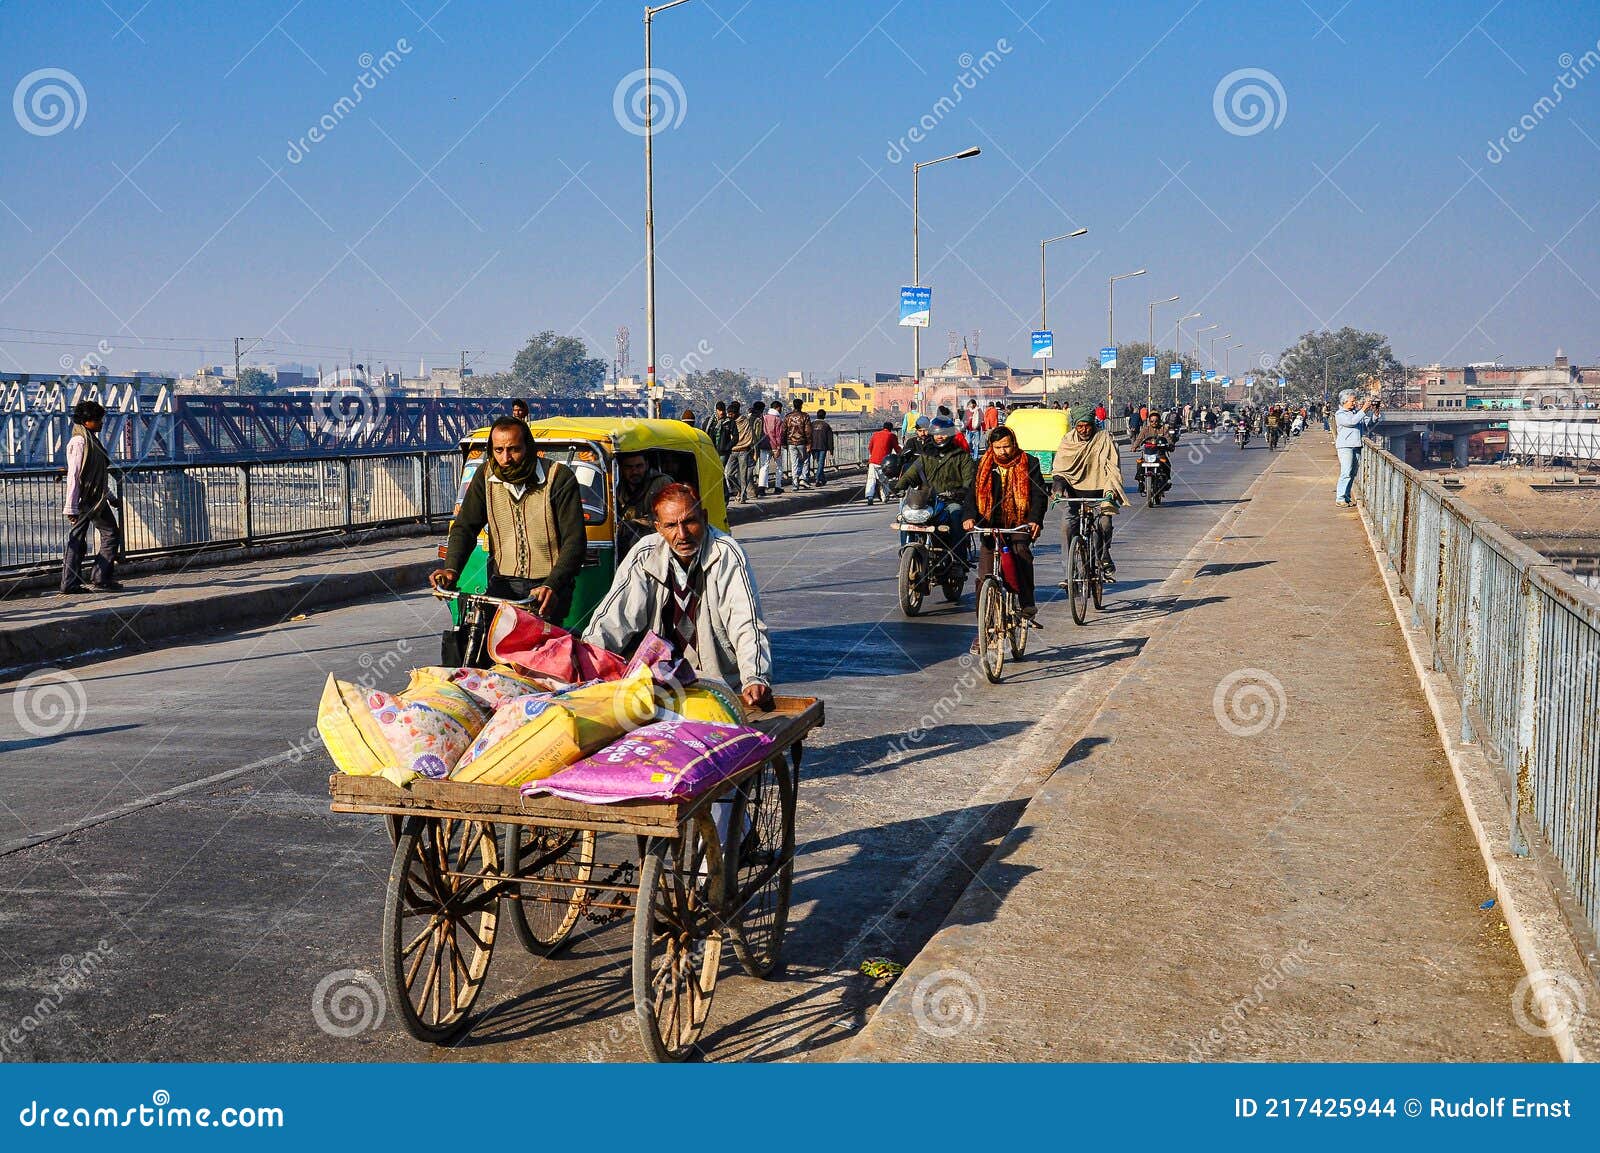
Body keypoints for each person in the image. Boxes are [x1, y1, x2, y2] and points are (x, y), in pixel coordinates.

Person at [585, 483, 773, 710]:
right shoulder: (645, 554)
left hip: (718, 685)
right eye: (671, 525)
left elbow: (746, 621)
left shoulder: (726, 553)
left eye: (689, 521)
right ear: (658, 528)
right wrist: (586, 661)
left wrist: (754, 676)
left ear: (704, 517)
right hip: (657, 684)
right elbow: (615, 617)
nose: (682, 534)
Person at [431, 417, 586, 622]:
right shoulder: (484, 476)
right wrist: (452, 568)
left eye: (513, 449)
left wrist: (553, 584)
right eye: (498, 450)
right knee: (484, 642)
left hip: (547, 586)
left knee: (541, 647)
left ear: (528, 447)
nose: (505, 459)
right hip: (503, 582)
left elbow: (575, 541)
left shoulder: (559, 477)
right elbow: (465, 527)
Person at [965, 425, 1046, 637]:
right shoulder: (982, 464)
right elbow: (971, 495)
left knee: (1021, 555)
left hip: (1019, 522)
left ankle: (1027, 603)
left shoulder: (1030, 463)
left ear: (1014, 444)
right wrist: (969, 516)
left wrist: (1035, 520)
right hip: (990, 526)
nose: (1003, 451)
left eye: (1007, 446)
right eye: (998, 447)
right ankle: (984, 631)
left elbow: (1039, 496)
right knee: (984, 577)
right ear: (991, 447)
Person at [59, 399, 124, 594]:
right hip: (86, 500)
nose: (101, 423)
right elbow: (75, 475)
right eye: (98, 420)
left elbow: (97, 474)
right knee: (103, 535)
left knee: (86, 539)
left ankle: (81, 581)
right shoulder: (79, 442)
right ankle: (96, 579)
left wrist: (110, 496)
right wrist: (70, 507)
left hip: (96, 498)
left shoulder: (91, 440)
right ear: (86, 421)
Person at [1051, 414, 1125, 583]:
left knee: (1104, 525)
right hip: (1075, 496)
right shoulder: (1068, 441)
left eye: (1087, 426)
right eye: (1080, 426)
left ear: (1093, 424)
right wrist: (1058, 490)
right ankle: (1069, 574)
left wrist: (1110, 492)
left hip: (1100, 493)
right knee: (1066, 528)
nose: (1084, 430)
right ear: (1075, 426)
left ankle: (1104, 556)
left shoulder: (1105, 439)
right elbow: (1060, 471)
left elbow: (1113, 470)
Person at [894, 416, 976, 557]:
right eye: (937, 433)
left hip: (951, 500)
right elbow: (911, 473)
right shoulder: (926, 456)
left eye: (943, 433)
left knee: (956, 516)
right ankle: (905, 553)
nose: (940, 437)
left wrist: (959, 492)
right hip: (927, 500)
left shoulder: (962, 457)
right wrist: (898, 487)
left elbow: (969, 482)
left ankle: (958, 558)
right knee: (904, 518)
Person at [615, 450, 673, 552]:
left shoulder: (661, 483)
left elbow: (669, 519)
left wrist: (634, 523)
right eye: (629, 467)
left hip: (654, 545)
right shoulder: (617, 485)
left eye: (639, 466)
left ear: (646, 465)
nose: (634, 471)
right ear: (621, 468)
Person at [1335, 389, 1380, 506]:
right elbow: (1351, 422)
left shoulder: (1356, 412)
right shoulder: (1340, 414)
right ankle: (1340, 498)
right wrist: (1364, 409)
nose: (1354, 403)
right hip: (1345, 446)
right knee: (1346, 472)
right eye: (1352, 401)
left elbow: (1367, 425)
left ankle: (1347, 497)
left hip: (1357, 445)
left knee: (1352, 472)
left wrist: (1375, 414)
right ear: (1344, 401)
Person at [725, 400, 758, 503]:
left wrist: (754, 451)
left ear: (736, 413)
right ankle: (740, 490)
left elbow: (750, 436)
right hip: (732, 451)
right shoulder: (728, 423)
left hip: (743, 451)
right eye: (728, 414)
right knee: (728, 474)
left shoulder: (745, 421)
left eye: (731, 414)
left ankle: (743, 496)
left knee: (743, 476)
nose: (730, 416)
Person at [864, 420, 899, 504]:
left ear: (883, 427)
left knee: (871, 479)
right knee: (884, 479)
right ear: (891, 428)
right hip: (885, 462)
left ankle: (870, 496)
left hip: (873, 461)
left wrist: (872, 456)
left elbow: (870, 447)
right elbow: (897, 448)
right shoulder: (891, 435)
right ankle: (884, 497)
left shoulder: (875, 434)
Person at [781, 398, 812, 490]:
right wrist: (809, 443)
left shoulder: (788, 416)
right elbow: (808, 431)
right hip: (802, 442)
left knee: (794, 463)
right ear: (801, 405)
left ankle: (795, 483)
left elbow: (783, 431)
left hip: (790, 442)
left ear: (793, 405)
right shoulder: (805, 416)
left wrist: (783, 443)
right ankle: (803, 479)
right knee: (805, 460)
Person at [758, 401, 783, 494]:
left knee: (764, 466)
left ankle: (761, 487)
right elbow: (778, 436)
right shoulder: (778, 420)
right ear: (777, 408)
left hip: (764, 445)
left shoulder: (763, 418)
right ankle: (778, 486)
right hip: (775, 446)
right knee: (779, 466)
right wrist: (778, 448)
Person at [810, 408, 834, 484]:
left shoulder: (812, 424)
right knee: (821, 463)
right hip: (822, 446)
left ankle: (823, 479)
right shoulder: (826, 425)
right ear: (824, 416)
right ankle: (817, 478)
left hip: (813, 446)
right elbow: (830, 439)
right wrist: (831, 449)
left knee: (819, 462)